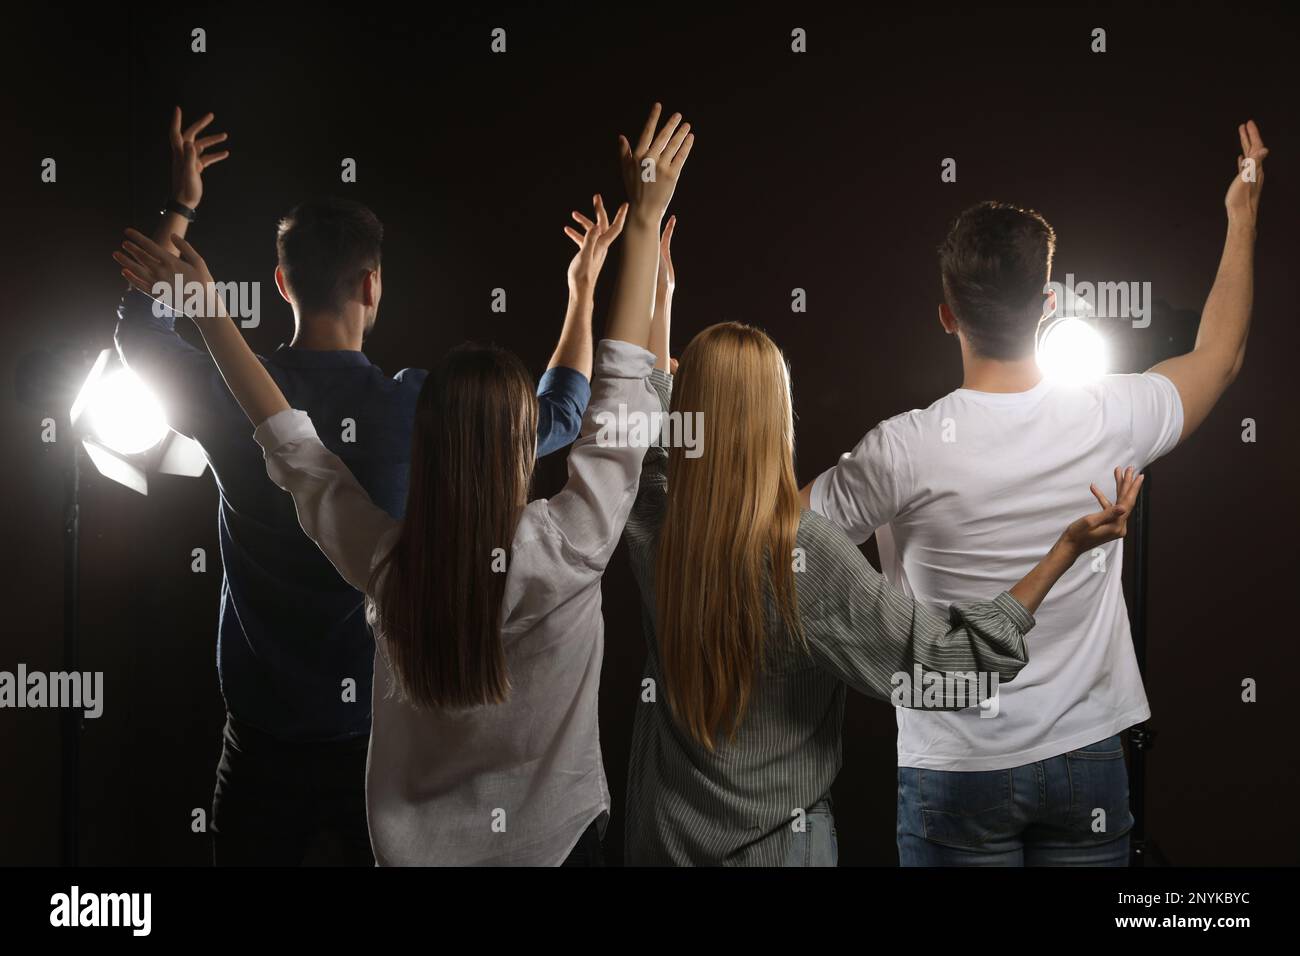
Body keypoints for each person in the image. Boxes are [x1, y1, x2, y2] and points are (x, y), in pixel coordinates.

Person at [115, 102, 695, 865]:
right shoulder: (466, 454)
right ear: (372, 286)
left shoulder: (378, 554)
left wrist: (186, 227)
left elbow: (161, 348)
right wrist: (593, 283)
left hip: (266, 740)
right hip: (416, 769)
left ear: (283, 283)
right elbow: (577, 409)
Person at [801, 121, 1268, 866]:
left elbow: (769, 533)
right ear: (1047, 303)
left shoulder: (904, 448)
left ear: (948, 315)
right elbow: (1222, 355)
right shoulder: (1112, 415)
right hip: (1084, 754)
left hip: (955, 765)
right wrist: (1241, 218)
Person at [621, 220, 1144, 866]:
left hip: (656, 847)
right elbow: (950, 666)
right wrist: (1064, 550)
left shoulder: (653, 524)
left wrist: (654, 285)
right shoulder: (801, 559)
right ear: (777, 421)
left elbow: (646, 424)